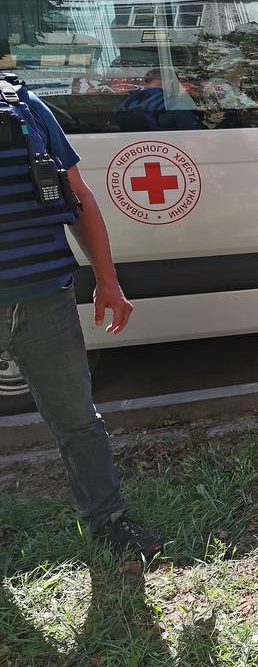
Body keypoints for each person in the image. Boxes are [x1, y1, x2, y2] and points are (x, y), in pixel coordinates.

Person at [0, 74, 162, 559]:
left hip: (44, 297)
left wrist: (108, 281)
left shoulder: (21, 103)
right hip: (42, 296)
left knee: (77, 422)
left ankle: (111, 522)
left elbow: (77, 195)